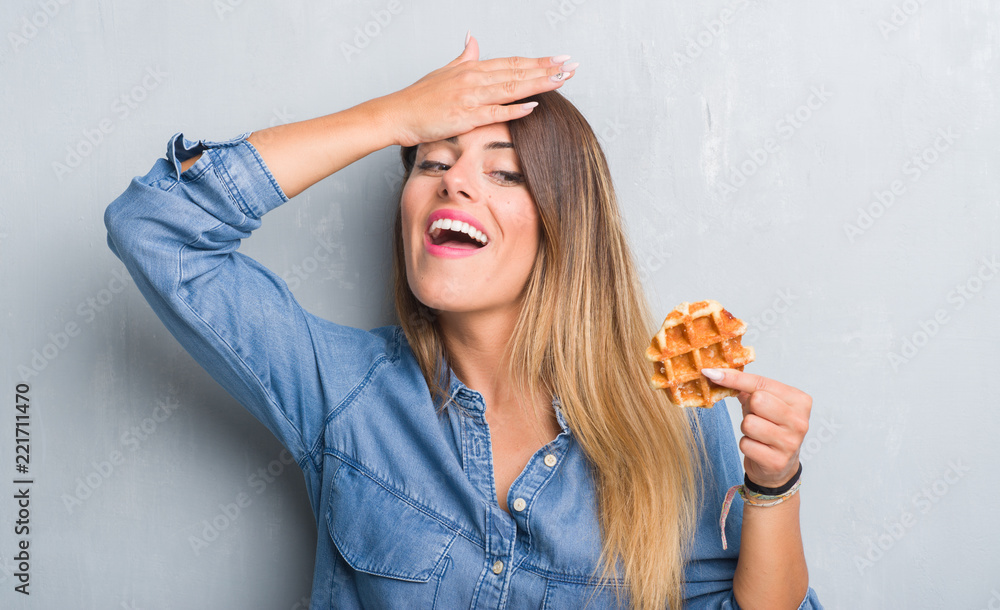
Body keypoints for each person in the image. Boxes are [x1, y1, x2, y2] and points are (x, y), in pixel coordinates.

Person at [104, 32, 823, 610]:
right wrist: (390, 117)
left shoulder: (666, 409)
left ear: (563, 225)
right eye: (431, 162)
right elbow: (155, 226)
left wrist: (773, 486)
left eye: (504, 172)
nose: (454, 179)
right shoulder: (343, 391)